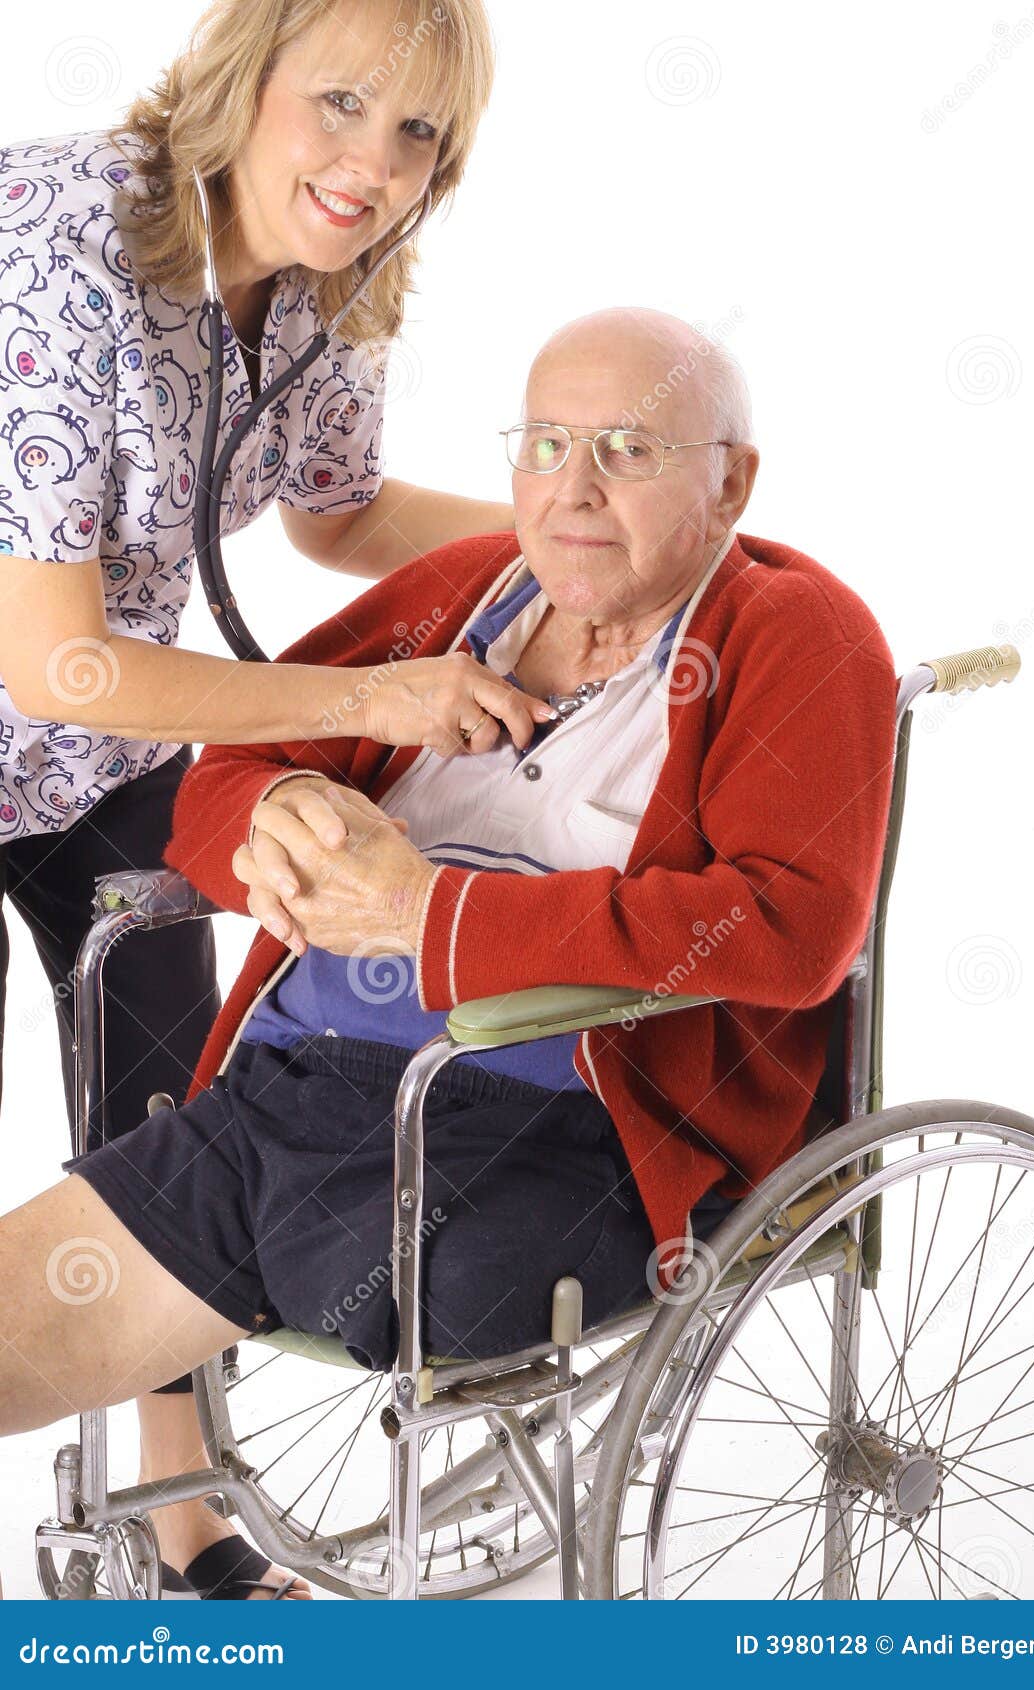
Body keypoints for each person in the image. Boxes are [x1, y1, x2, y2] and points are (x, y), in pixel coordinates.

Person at [0, 309, 899, 1598]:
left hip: (555, 1119)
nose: (574, 488)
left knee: (364, 1256)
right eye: (544, 445)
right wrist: (268, 816)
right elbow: (243, 752)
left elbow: (791, 928)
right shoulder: (465, 590)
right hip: (287, 1086)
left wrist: (434, 920)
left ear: (730, 482)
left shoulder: (799, 634)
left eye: (630, 449)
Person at [0, 0, 552, 1599]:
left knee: (161, 1125)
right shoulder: (60, 247)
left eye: (419, 134)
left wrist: (597, 531)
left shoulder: (334, 281)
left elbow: (343, 513)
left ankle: (180, 1520)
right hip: (70, 698)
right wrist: (371, 700)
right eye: (343, 104)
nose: (372, 166)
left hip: (96, 763)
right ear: (247, 78)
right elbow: (55, 660)